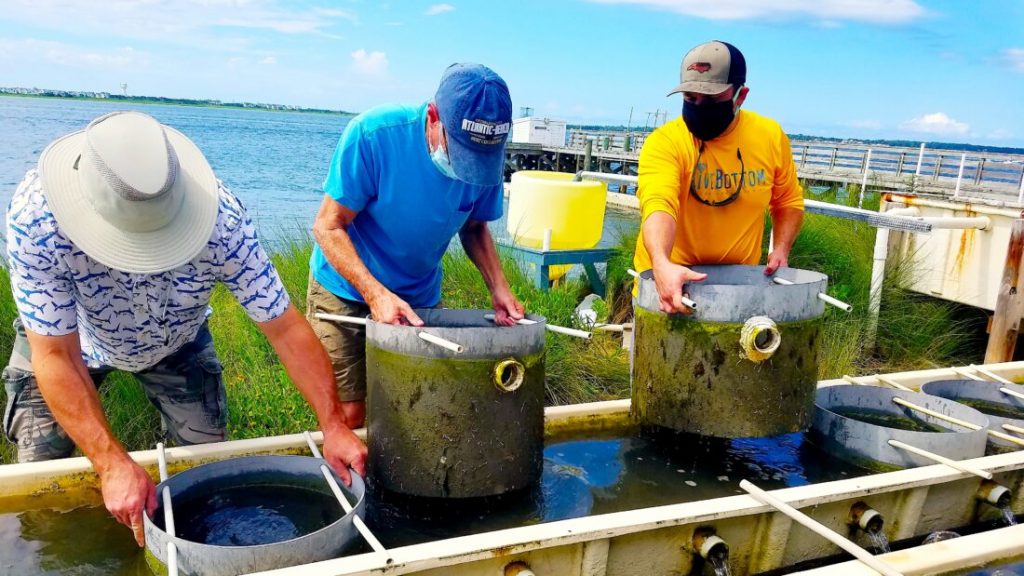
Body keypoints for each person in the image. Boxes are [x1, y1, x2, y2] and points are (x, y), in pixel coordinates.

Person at [3, 111, 367, 547]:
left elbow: (286, 329)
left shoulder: (223, 220)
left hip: (176, 340)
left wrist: (333, 425)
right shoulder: (37, 218)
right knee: (38, 474)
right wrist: (111, 463)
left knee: (208, 470)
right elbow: (55, 355)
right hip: (70, 342)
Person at [308, 63, 525, 426]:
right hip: (343, 292)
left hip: (418, 299)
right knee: (350, 412)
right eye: (460, 153)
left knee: (416, 404)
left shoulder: (486, 155)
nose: (468, 171)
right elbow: (327, 226)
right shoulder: (373, 135)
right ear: (432, 116)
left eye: (479, 159)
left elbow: (474, 228)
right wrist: (376, 296)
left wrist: (499, 287)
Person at [633, 41, 805, 313]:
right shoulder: (665, 142)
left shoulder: (769, 136)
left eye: (711, 99)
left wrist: (781, 249)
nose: (699, 106)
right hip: (670, 284)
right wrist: (661, 263)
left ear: (740, 96)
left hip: (739, 288)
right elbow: (658, 204)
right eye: (690, 98)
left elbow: (788, 200)